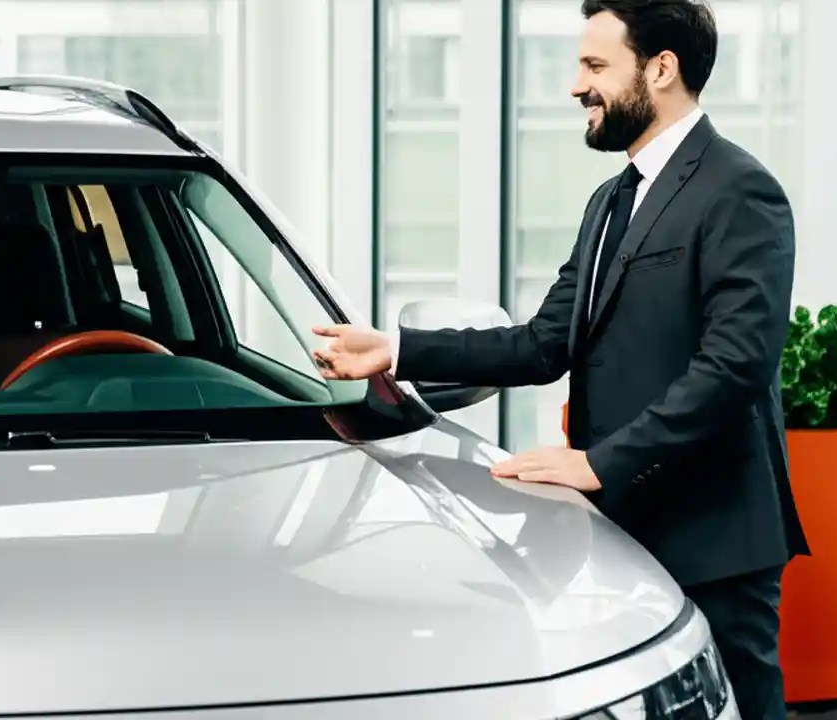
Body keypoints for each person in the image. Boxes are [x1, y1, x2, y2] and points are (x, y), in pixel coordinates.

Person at [310, 1, 809, 717]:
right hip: (618, 530)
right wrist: (397, 348)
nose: (577, 85)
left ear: (661, 69)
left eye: (596, 66)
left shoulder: (739, 190)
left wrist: (597, 462)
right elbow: (546, 341)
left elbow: (734, 368)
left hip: (712, 535)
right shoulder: (611, 201)